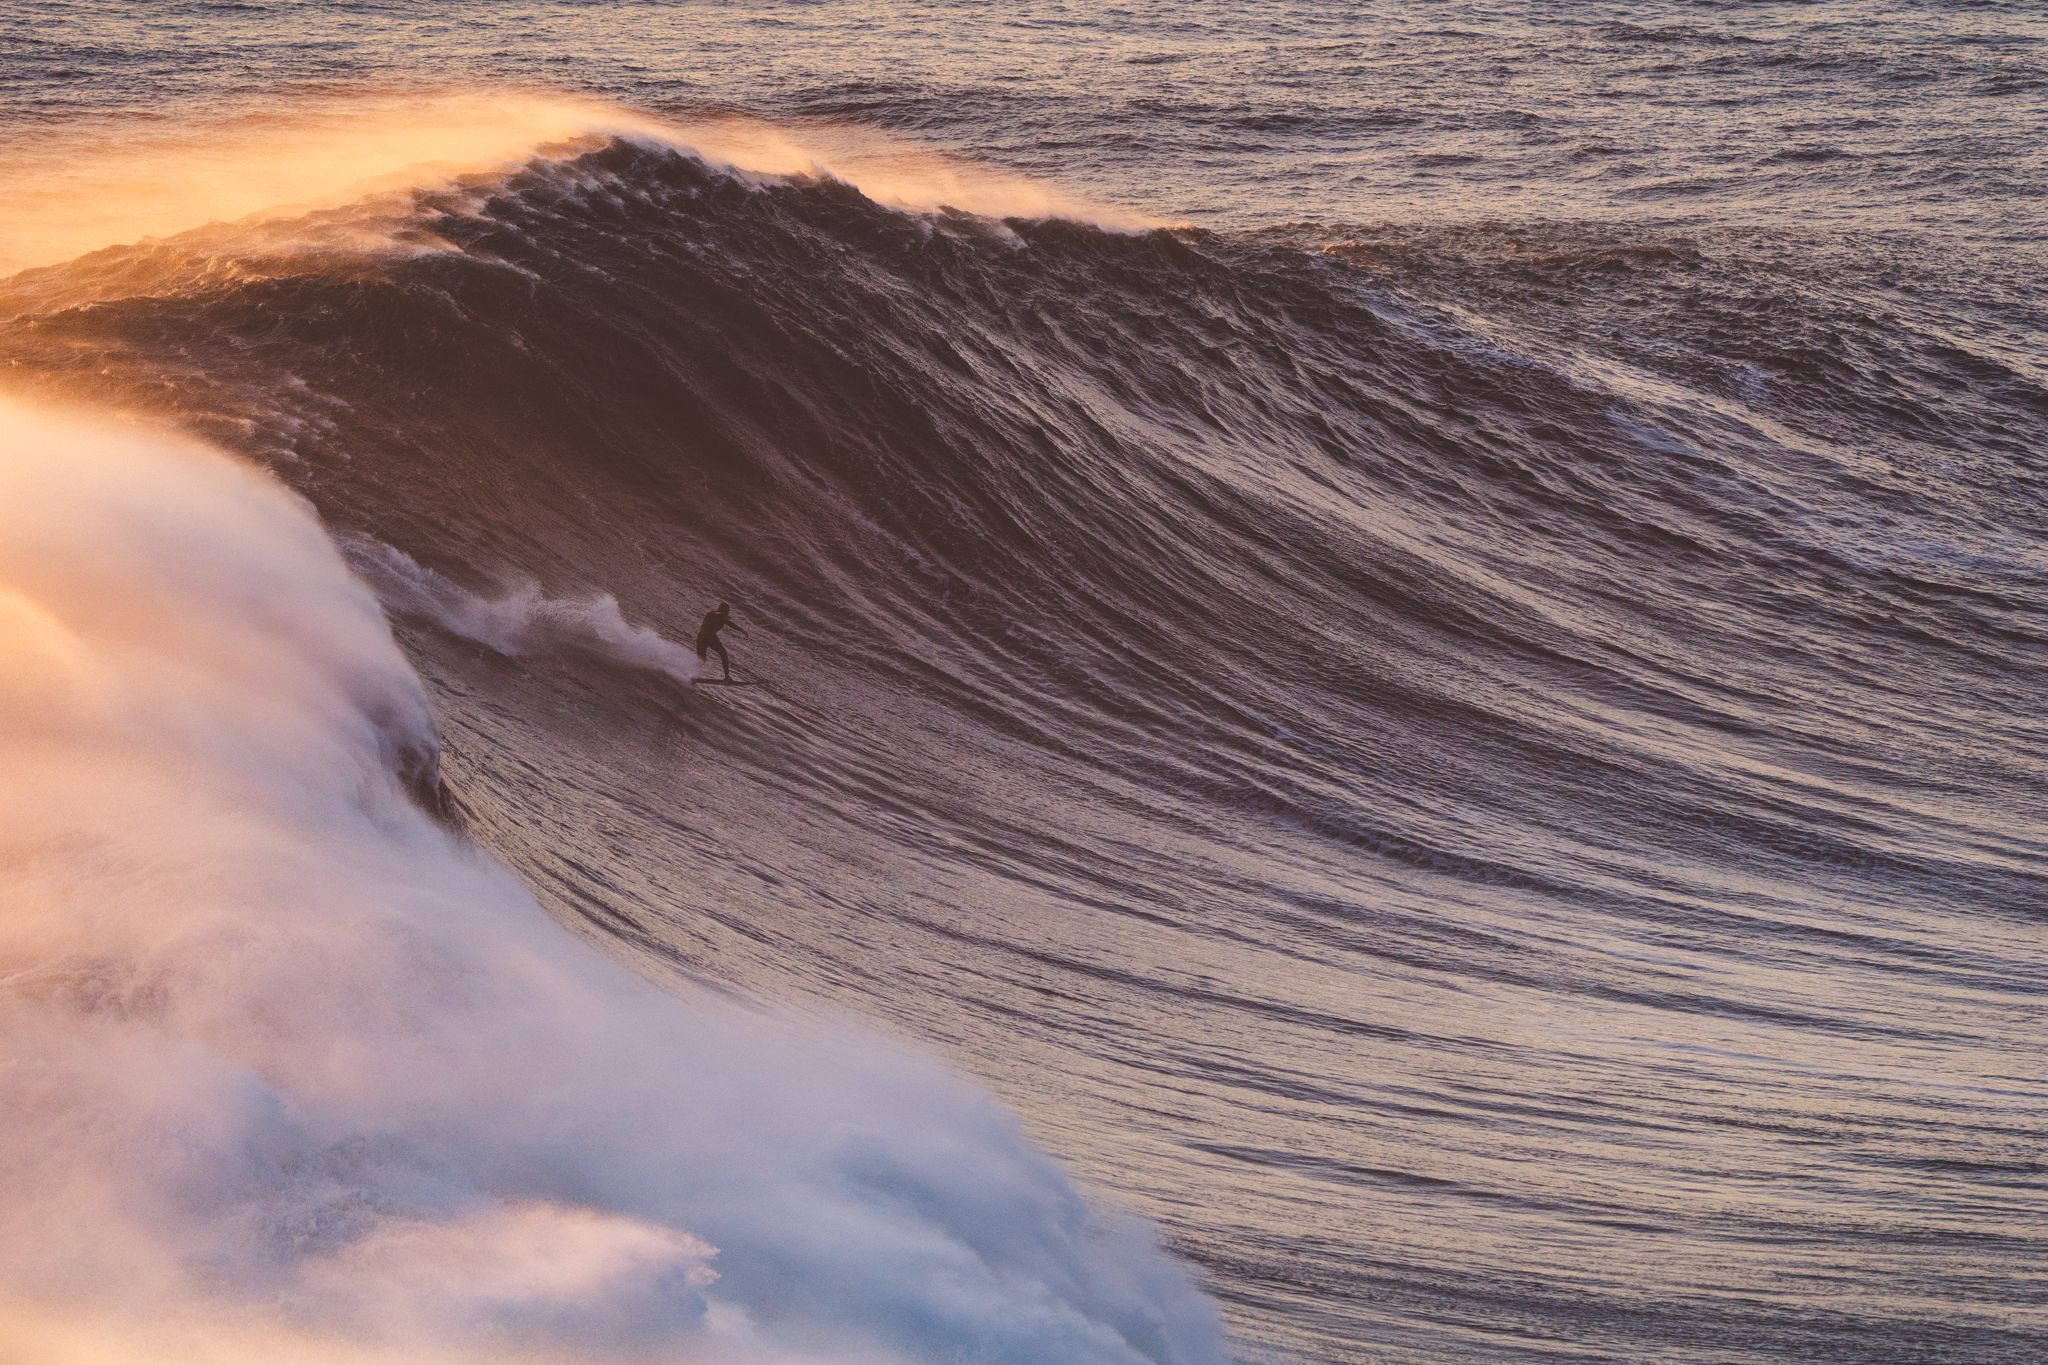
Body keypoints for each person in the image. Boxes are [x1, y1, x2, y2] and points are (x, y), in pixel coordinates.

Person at [695, 601, 747, 681]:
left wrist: (723, 618)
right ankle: (727, 677)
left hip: (701, 636)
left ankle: (689, 673)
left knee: (702, 659)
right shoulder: (720, 617)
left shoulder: (710, 613)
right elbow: (730, 623)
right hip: (710, 636)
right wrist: (742, 630)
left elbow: (710, 620)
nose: (728, 614)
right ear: (725, 611)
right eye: (727, 612)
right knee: (723, 653)